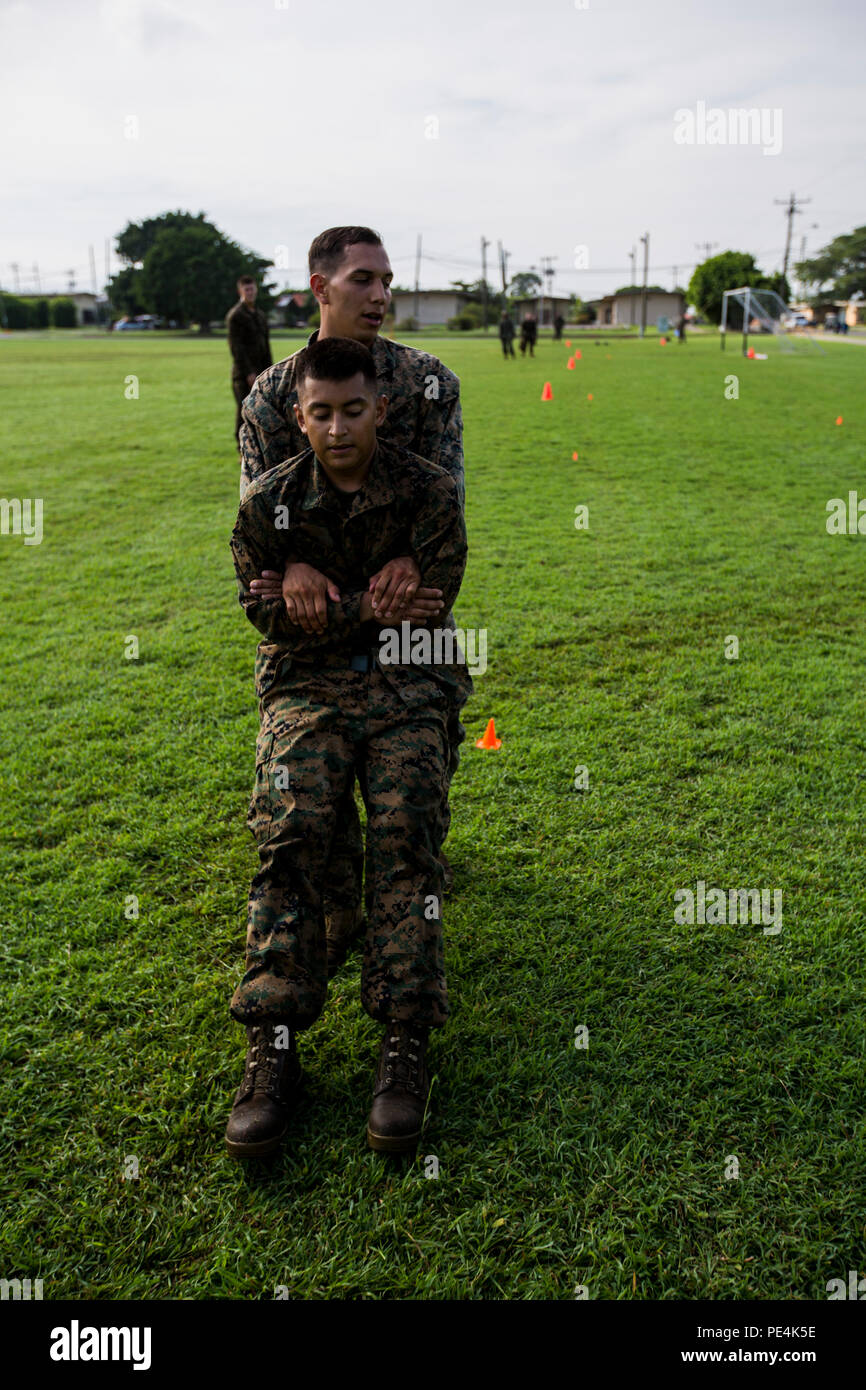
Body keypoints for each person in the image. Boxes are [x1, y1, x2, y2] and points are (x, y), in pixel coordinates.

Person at [225, 337, 468, 1158]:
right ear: (298, 417)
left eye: (353, 410)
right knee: (290, 833)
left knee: (407, 835)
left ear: (381, 409)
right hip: (306, 684)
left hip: (410, 679)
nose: (337, 428)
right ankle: (274, 1047)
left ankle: (404, 1043)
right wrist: (368, 602)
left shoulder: (429, 492)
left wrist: (325, 601)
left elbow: (430, 606)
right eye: (321, 413)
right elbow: (260, 612)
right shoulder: (268, 505)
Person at [238, 226, 467, 979]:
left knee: (416, 799)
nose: (381, 295)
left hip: (414, 623)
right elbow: (267, 532)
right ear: (321, 289)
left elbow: (445, 514)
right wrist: (299, 558)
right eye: (363, 280)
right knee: (317, 814)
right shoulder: (272, 396)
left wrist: (409, 554)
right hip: (312, 635)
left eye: (387, 280)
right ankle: (337, 900)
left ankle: (406, 871)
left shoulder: (430, 382)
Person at [226, 276, 272, 446]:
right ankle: (241, 448)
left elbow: (266, 346)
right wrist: (248, 372)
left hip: (262, 371)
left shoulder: (260, 315)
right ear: (240, 291)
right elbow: (236, 348)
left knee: (262, 410)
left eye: (252, 289)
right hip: (244, 374)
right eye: (247, 290)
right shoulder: (236, 316)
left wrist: (270, 371)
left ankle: (259, 446)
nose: (250, 293)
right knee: (244, 411)